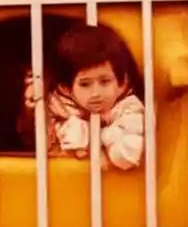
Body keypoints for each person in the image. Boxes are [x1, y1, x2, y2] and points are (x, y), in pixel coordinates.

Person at [20, 24, 145, 170]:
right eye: (85, 84)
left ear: (122, 83)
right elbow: (33, 139)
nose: (95, 93)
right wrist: (33, 107)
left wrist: (94, 136)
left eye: (104, 82)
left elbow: (126, 156)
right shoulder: (58, 106)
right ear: (66, 88)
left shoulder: (130, 108)